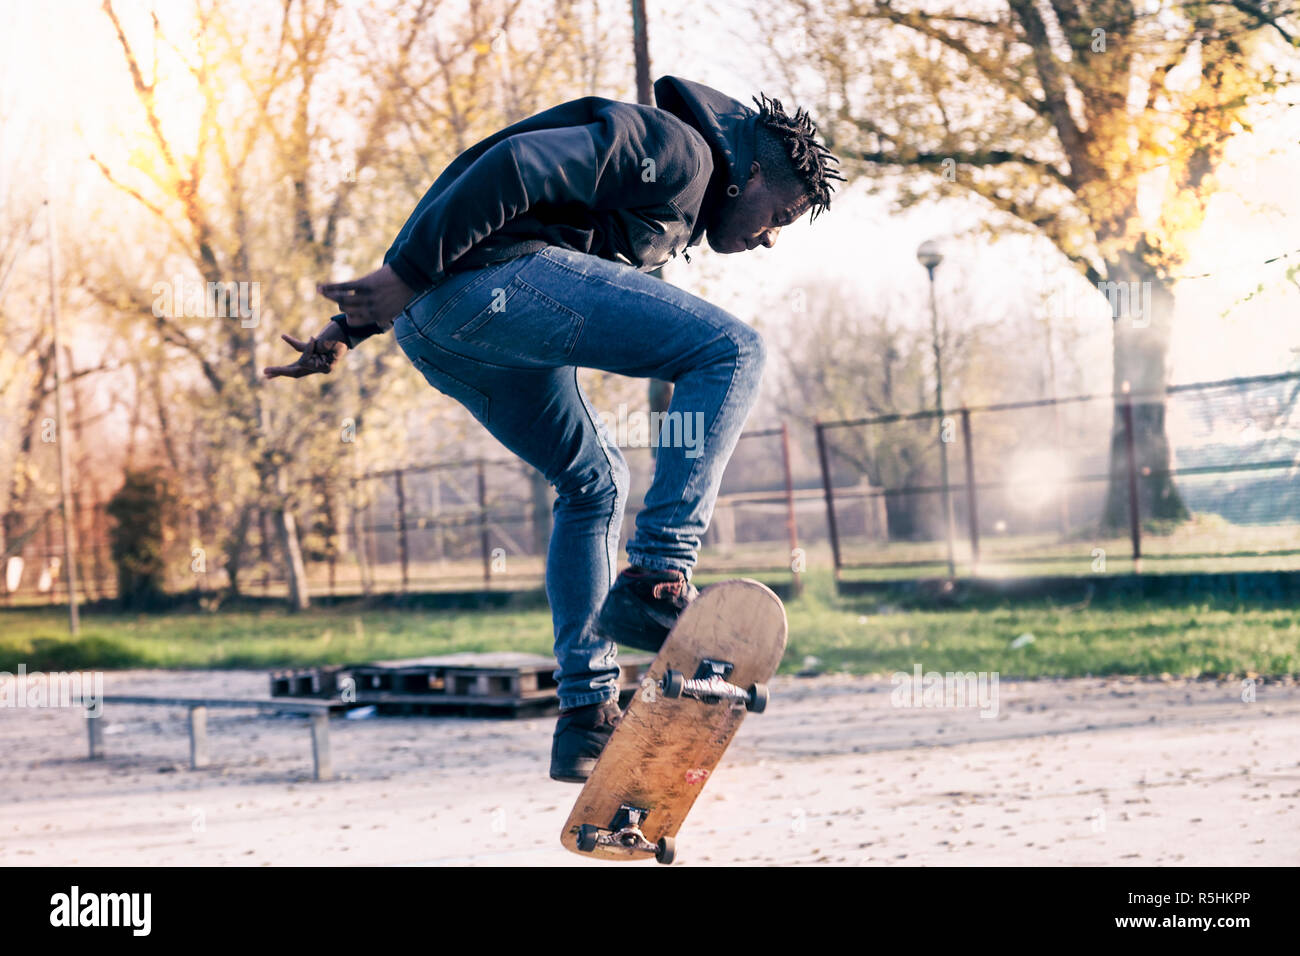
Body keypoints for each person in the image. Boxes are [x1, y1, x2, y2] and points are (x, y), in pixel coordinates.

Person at [265, 76, 842, 782]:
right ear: (751, 171)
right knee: (731, 351)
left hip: (437, 332)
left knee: (594, 482)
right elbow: (513, 168)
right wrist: (405, 274)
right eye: (778, 213)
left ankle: (586, 716)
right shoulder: (678, 150)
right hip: (484, 286)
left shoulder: (683, 200)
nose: (771, 237)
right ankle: (658, 576)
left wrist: (348, 330)